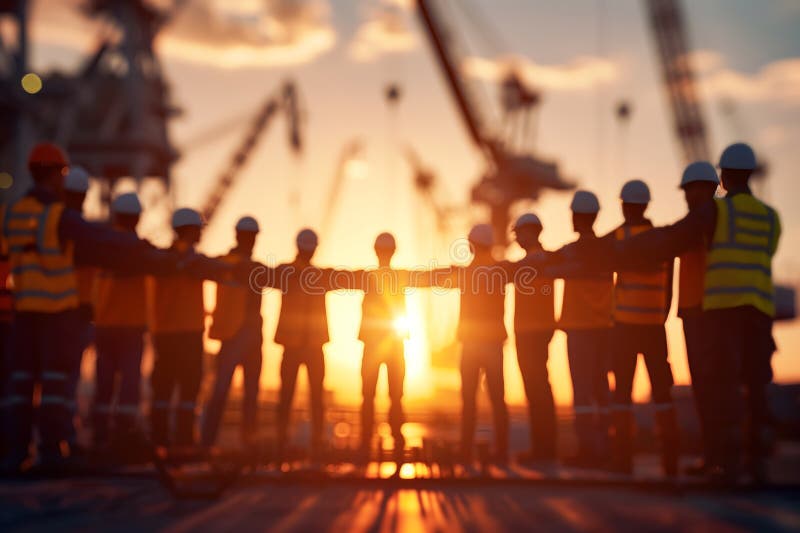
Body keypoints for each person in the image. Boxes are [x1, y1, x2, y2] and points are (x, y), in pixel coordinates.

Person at [0, 143, 184, 471]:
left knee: (21, 384)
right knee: (55, 385)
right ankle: (51, 452)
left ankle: (15, 453)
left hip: (23, 314)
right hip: (56, 314)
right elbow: (97, 236)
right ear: (53, 174)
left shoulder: (11, 214)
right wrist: (137, 243)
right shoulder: (56, 216)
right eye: (62, 173)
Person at [614, 143, 781, 484]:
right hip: (758, 310)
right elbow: (768, 249)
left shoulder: (714, 215)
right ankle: (753, 463)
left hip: (719, 311)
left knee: (719, 387)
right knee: (754, 387)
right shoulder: (770, 216)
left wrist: (619, 250)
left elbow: (673, 240)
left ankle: (726, 463)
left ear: (723, 178)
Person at [422, 224, 515, 466]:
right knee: (497, 399)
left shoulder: (465, 273)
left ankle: (465, 453)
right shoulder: (501, 271)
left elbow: (434, 279)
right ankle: (501, 452)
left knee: (469, 401)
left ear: (472, 246)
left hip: (472, 345)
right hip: (492, 344)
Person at [609, 179, 679, 477]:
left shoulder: (618, 237)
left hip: (624, 328)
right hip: (654, 328)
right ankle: (670, 463)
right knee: (663, 396)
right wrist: (660, 317)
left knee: (622, 397)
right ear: (646, 205)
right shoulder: (662, 239)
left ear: (625, 206)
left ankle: (623, 462)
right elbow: (670, 289)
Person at [272, 228, 358, 462]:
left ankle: (285, 445)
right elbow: (351, 278)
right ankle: (310, 446)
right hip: (307, 347)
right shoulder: (313, 276)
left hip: (300, 347)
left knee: (292, 398)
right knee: (312, 399)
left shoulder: (286, 273)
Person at [542, 191, 614, 468]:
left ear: (578, 217)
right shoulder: (608, 251)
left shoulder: (572, 251)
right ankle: (605, 448)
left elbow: (548, 264)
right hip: (604, 327)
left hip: (580, 329)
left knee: (582, 392)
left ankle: (586, 450)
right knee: (602, 391)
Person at [91, 193, 150, 457]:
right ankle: (124, 436)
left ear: (115, 216)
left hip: (104, 325)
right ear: (137, 219)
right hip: (131, 327)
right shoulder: (141, 250)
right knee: (129, 384)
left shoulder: (101, 248)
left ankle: (100, 436)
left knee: (103, 383)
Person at [201, 216, 264, 449]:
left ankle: (247, 443)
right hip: (233, 335)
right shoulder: (225, 264)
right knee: (221, 392)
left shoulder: (254, 268)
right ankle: (208, 442)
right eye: (249, 237)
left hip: (251, 335)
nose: (252, 241)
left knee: (249, 394)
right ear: (240, 236)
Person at [149, 208, 208, 448]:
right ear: (191, 230)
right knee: (188, 388)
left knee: (163, 388)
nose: (201, 234)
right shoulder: (195, 262)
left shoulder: (160, 259)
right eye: (198, 229)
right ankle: (184, 440)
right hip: (188, 334)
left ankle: (159, 438)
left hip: (164, 332)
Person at [675, 162, 719, 476]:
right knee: (707, 388)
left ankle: (716, 456)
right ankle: (716, 455)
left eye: (690, 190)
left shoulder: (701, 221)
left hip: (703, 310)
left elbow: (666, 242)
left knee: (709, 387)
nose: (687, 197)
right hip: (701, 309)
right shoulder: (714, 219)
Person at [510, 214, 558, 465]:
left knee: (537, 390)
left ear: (530, 232)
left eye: (519, 233)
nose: (517, 238)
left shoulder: (537, 261)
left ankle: (544, 450)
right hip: (535, 332)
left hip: (532, 334)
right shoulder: (544, 260)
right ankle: (544, 448)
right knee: (538, 389)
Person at [357, 232, 408, 462]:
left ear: (376, 251)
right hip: (394, 344)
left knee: (369, 396)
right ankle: (397, 443)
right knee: (395, 397)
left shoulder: (367, 277)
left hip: (375, 344)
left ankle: (365, 444)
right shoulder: (401, 277)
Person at [62, 166, 95, 454]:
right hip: (74, 312)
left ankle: (58, 437)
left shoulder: (52, 223)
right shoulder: (79, 230)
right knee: (67, 378)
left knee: (56, 379)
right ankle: (65, 438)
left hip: (54, 311)